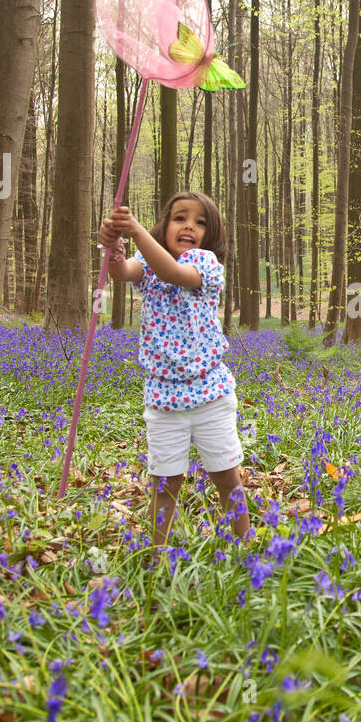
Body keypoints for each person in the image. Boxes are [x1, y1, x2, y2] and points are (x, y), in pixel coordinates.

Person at [99, 191, 250, 546]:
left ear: (210, 235)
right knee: (165, 482)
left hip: (210, 393)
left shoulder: (206, 264)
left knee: (226, 476)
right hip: (164, 397)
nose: (189, 227)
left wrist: (135, 231)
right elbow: (123, 272)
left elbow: (174, 273)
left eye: (200, 222)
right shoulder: (146, 261)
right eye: (180, 218)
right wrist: (112, 244)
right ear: (165, 225)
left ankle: (245, 546)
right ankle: (156, 555)